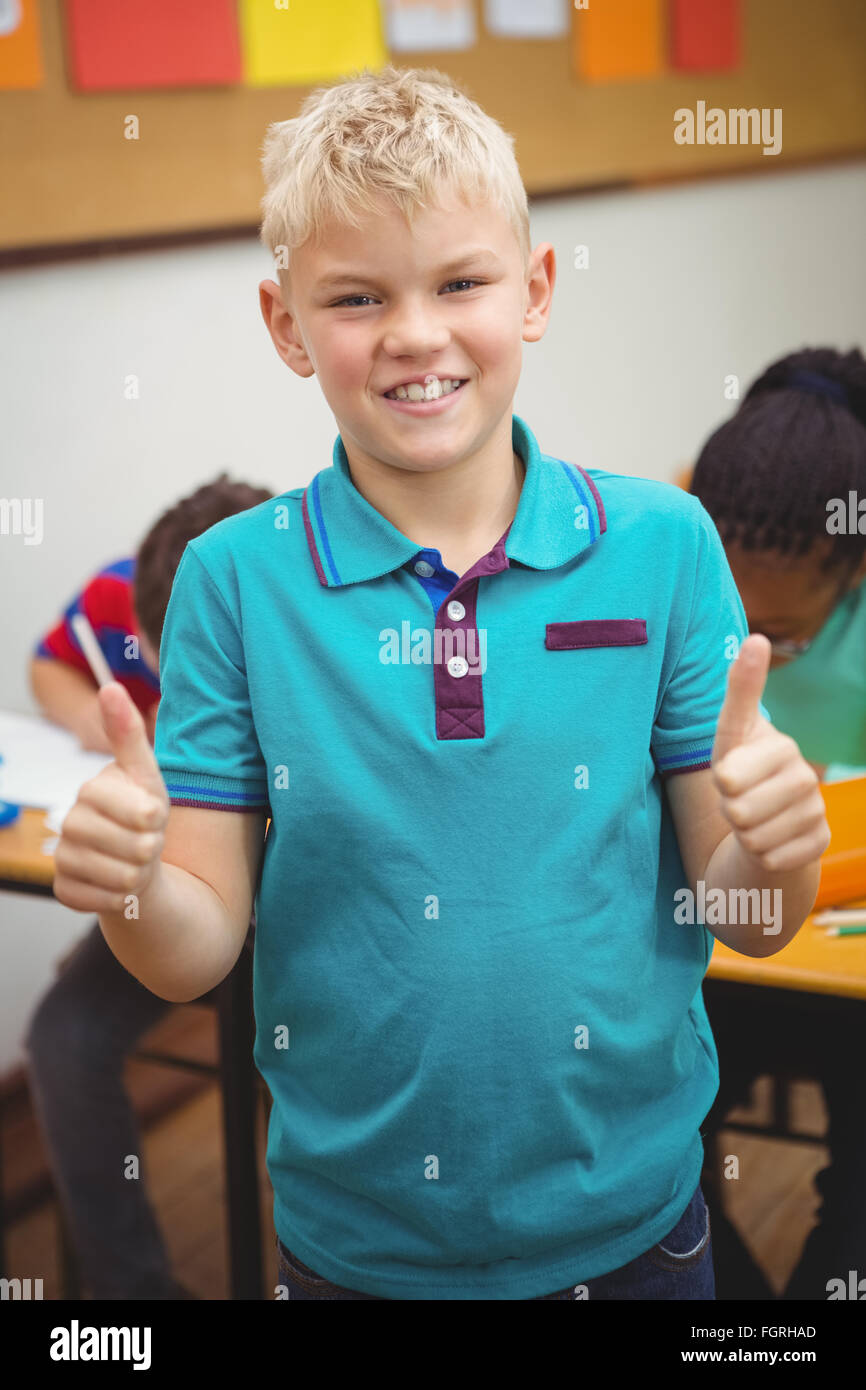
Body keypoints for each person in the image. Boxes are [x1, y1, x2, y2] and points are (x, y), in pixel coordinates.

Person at [51, 65, 830, 1301]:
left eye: (459, 282)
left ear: (531, 291)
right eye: (356, 297)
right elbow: (192, 953)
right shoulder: (234, 583)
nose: (415, 334)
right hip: (353, 1250)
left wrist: (775, 853)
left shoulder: (663, 546)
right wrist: (134, 885)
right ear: (285, 323)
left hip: (632, 1232)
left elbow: (742, 917)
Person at [23, 474, 272, 1300]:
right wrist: (90, 718)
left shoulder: (308, 616)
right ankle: (133, 1295)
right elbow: (48, 665)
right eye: (168, 676)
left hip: (307, 914)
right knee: (63, 1038)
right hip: (171, 893)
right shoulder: (118, 595)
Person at [688, 347, 866, 1301]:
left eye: (785, 641)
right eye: (730, 628)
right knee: (644, 1136)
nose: (753, 659)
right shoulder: (662, 560)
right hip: (722, 959)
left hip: (847, 974)